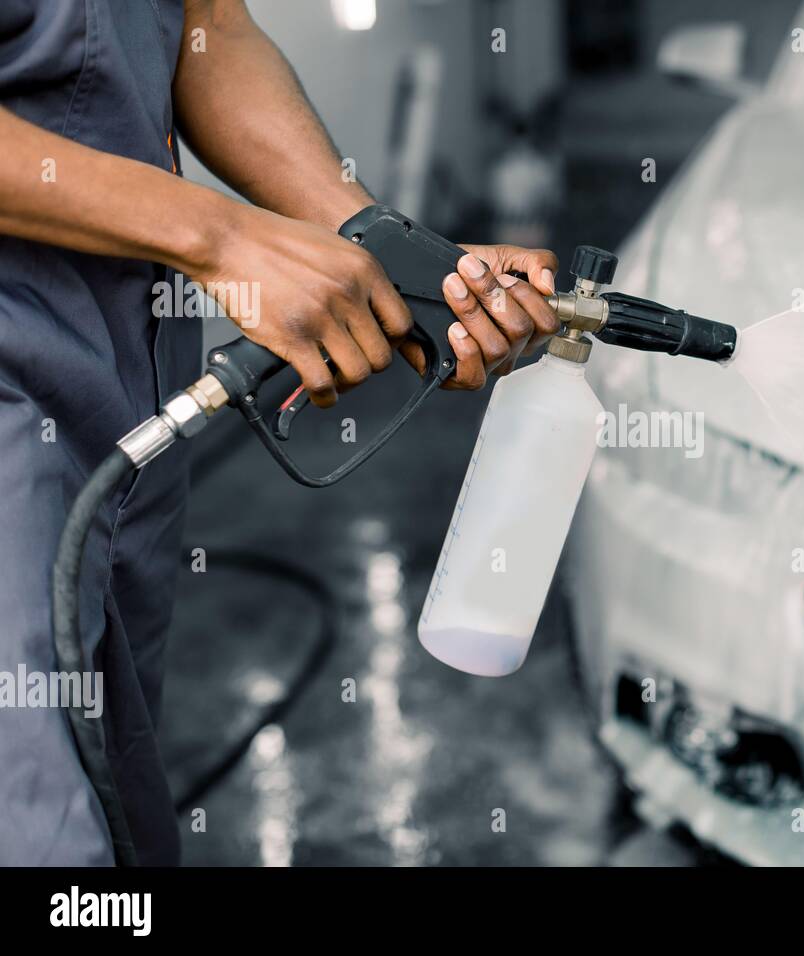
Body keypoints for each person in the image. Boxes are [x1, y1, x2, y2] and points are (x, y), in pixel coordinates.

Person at [0, 0, 560, 865]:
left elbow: (207, 27)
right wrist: (221, 237)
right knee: (43, 833)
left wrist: (386, 256)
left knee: (116, 798)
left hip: (123, 386)